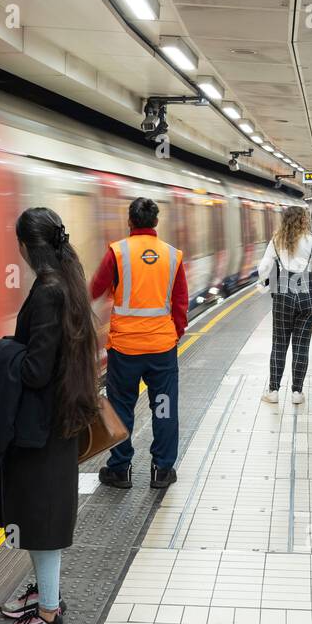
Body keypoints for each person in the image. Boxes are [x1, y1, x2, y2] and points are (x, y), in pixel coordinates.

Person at [0, 207, 100, 624]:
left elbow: (36, 369)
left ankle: (49, 616)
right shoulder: (64, 282)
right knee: (38, 516)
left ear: (25, 246)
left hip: (45, 424)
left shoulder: (49, 291)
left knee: (43, 519)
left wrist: (1, 353)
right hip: (56, 419)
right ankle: (44, 594)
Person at [88, 197, 186, 491]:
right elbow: (180, 302)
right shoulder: (172, 255)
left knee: (121, 408)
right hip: (161, 349)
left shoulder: (116, 252)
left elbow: (94, 289)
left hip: (125, 349)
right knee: (164, 408)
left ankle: (120, 470)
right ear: (156, 222)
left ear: (130, 222)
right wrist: (173, 334)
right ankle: (162, 471)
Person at [258, 205, 312, 404]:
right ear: (304, 220)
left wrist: (261, 281)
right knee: (301, 346)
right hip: (308, 298)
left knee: (279, 344)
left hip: (283, 297)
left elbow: (264, 267)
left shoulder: (276, 240)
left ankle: (273, 391)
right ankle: (297, 393)